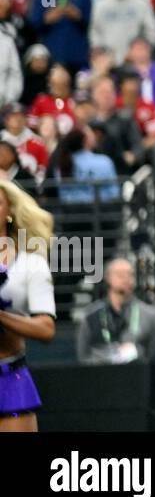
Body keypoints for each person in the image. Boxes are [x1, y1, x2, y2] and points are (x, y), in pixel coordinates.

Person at [0, 180, 56, 431]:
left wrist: (1, 316)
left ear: (10, 211)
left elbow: (46, 330)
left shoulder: (31, 263)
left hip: (8, 379)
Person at [76, 258, 155, 365]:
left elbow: (152, 355)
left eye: (130, 275)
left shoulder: (149, 315)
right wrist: (108, 358)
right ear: (108, 278)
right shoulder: (91, 315)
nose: (126, 279)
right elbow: (83, 357)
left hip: (137, 376)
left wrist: (136, 352)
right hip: (101, 377)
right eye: (120, 275)